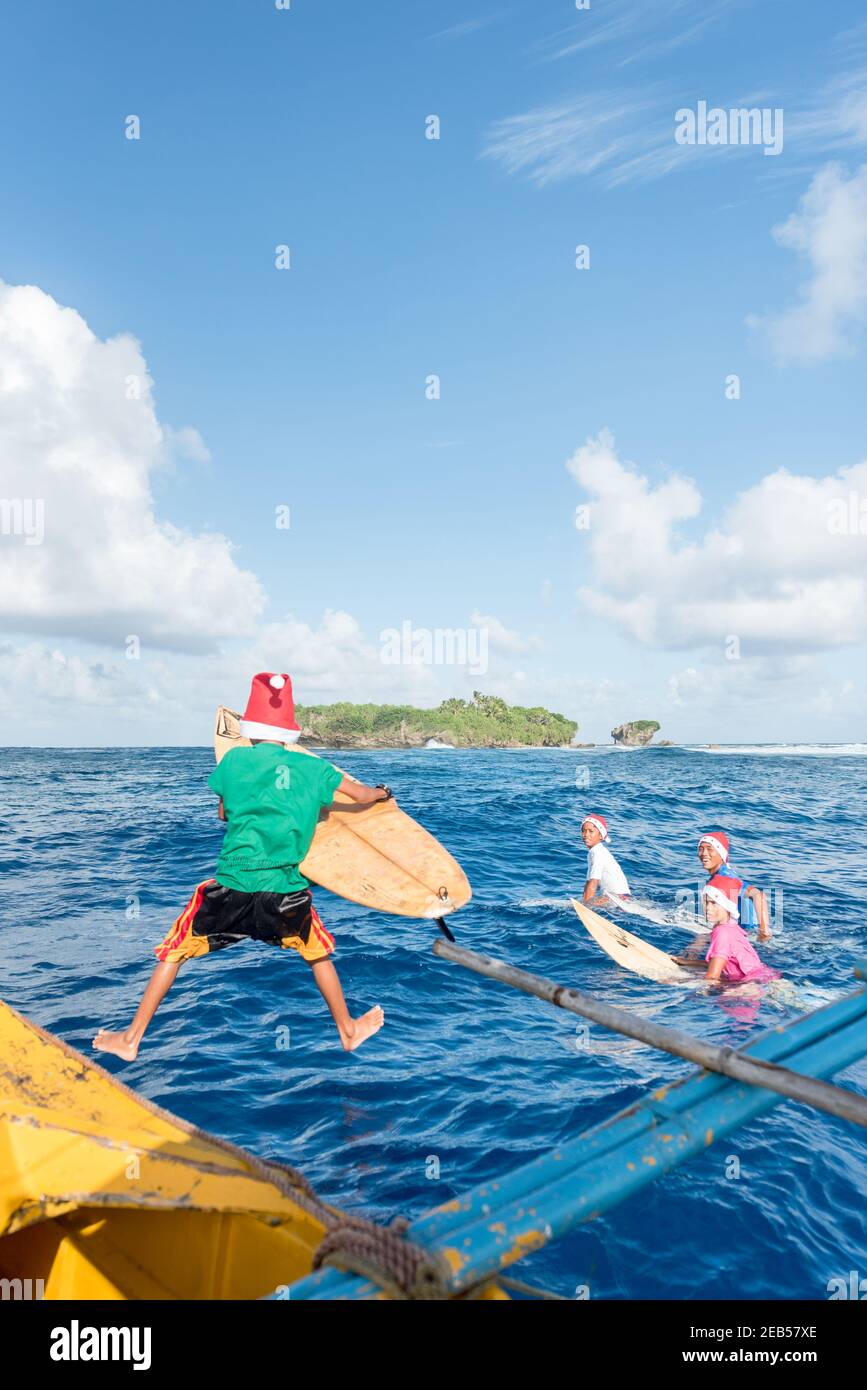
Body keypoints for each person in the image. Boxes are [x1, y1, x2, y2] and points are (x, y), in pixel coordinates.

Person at [93, 672, 390, 1061]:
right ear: (291, 733)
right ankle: (348, 1031)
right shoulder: (315, 771)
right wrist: (382, 793)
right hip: (284, 893)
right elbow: (362, 796)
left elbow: (223, 814)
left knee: (172, 953)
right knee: (318, 955)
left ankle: (131, 1039)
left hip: (230, 887)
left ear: (250, 729)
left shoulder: (233, 763)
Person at [674, 877, 779, 985]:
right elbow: (724, 963)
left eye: (714, 903)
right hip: (769, 979)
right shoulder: (732, 927)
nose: (708, 908)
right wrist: (690, 963)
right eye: (706, 902)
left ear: (727, 906)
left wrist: (677, 982)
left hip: (757, 986)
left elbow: (711, 978)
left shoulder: (722, 933)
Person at [697, 831, 771, 941]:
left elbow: (758, 895)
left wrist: (764, 931)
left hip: (748, 937)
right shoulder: (721, 875)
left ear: (721, 854)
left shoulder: (726, 877)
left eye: (709, 849)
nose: (704, 853)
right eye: (701, 849)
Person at [581, 814, 631, 906]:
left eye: (591, 831)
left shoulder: (598, 852)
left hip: (618, 897)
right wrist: (583, 902)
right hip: (616, 897)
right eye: (583, 831)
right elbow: (588, 882)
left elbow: (594, 882)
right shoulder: (592, 853)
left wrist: (586, 906)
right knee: (590, 902)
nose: (586, 834)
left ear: (601, 836)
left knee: (591, 903)